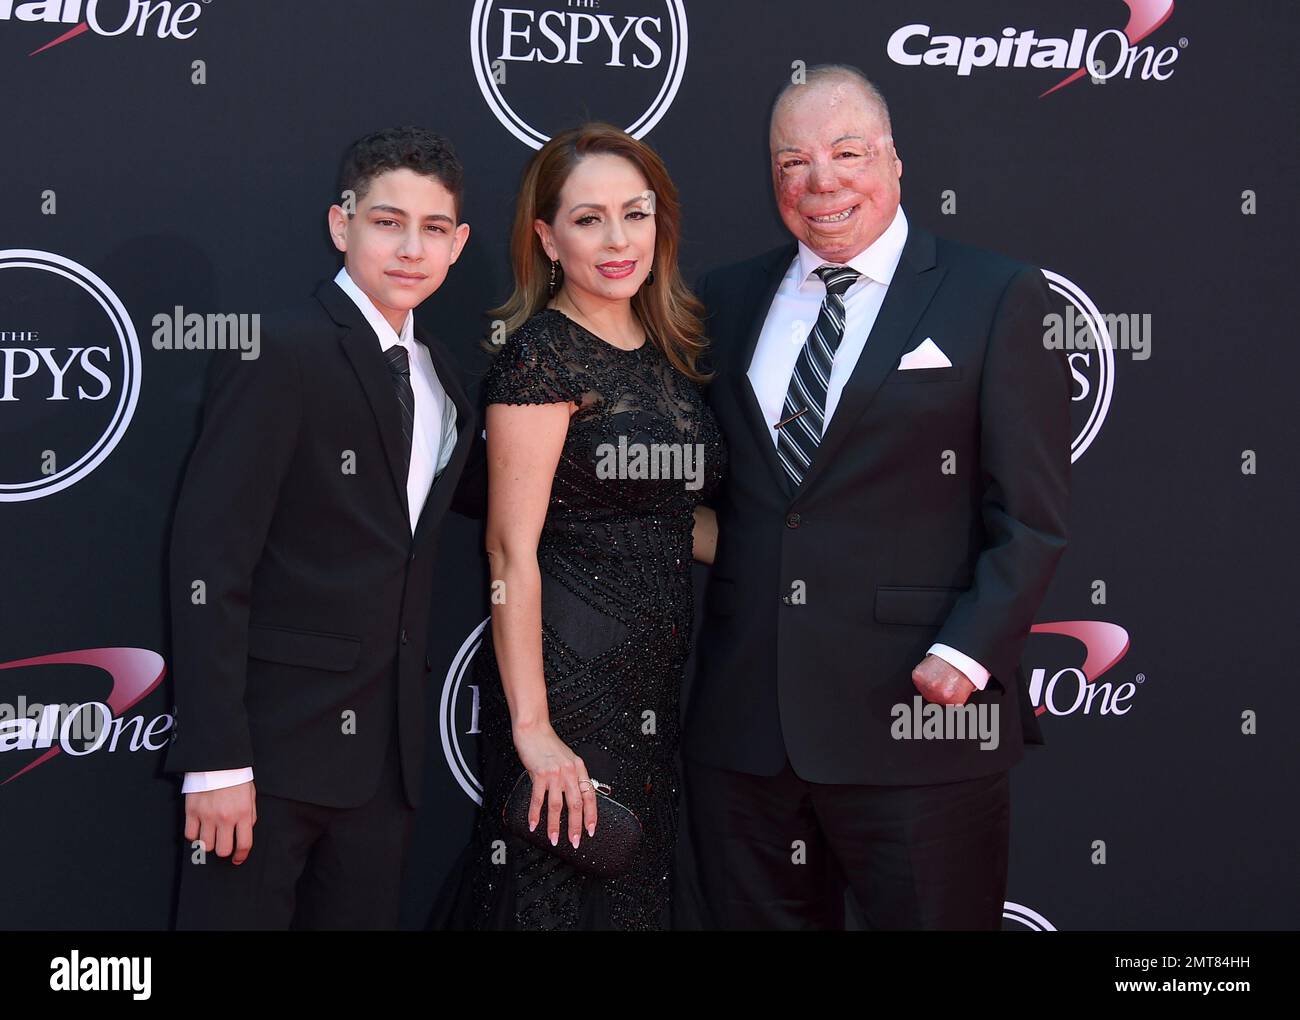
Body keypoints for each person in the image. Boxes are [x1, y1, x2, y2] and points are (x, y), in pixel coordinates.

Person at [682, 65, 1071, 929]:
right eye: (792, 162)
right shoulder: (725, 297)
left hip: (920, 723)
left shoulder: (997, 296)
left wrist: (968, 657)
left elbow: (1033, 515)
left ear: (896, 162)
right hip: (746, 731)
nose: (821, 182)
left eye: (847, 152)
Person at [165, 126, 478, 929]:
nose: (411, 248)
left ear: (458, 244)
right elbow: (210, 563)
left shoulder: (443, 380)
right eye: (386, 221)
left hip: (387, 770)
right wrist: (216, 762)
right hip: (265, 760)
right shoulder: (279, 351)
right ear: (341, 225)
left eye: (433, 229)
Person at [437, 123, 725, 930]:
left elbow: (671, 517)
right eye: (588, 218)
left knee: (631, 893)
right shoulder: (539, 360)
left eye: (635, 214)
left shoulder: (670, 349)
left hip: (658, 681)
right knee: (556, 892)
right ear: (547, 238)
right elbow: (506, 547)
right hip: (569, 681)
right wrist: (533, 728)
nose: (617, 239)